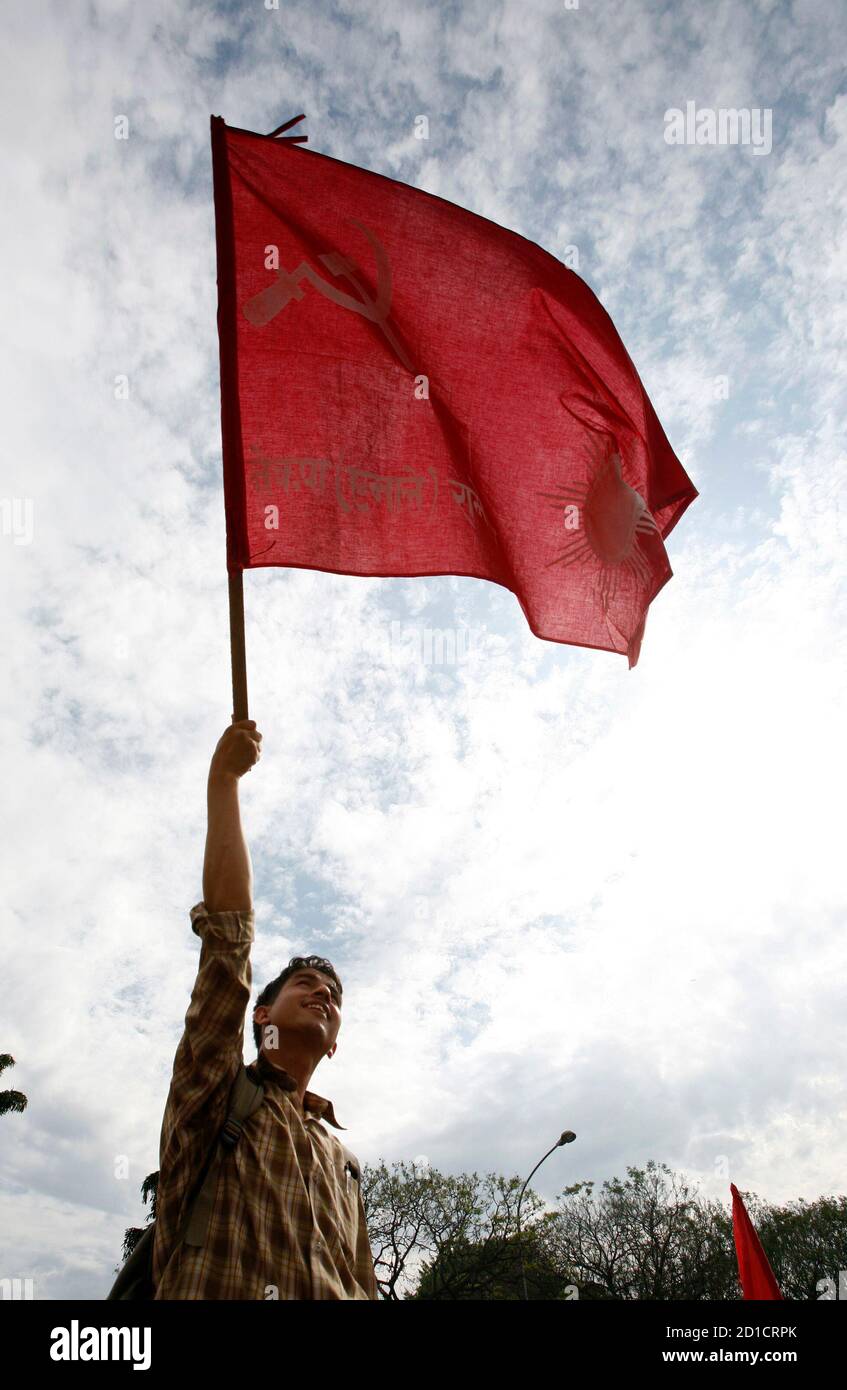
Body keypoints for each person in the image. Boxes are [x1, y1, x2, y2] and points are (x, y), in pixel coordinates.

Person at [151, 717, 379, 1299]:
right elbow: (227, 948)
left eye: (334, 995)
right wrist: (223, 783)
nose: (324, 993)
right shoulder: (220, 1093)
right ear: (261, 1015)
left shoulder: (345, 1163)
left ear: (334, 1044)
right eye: (305, 982)